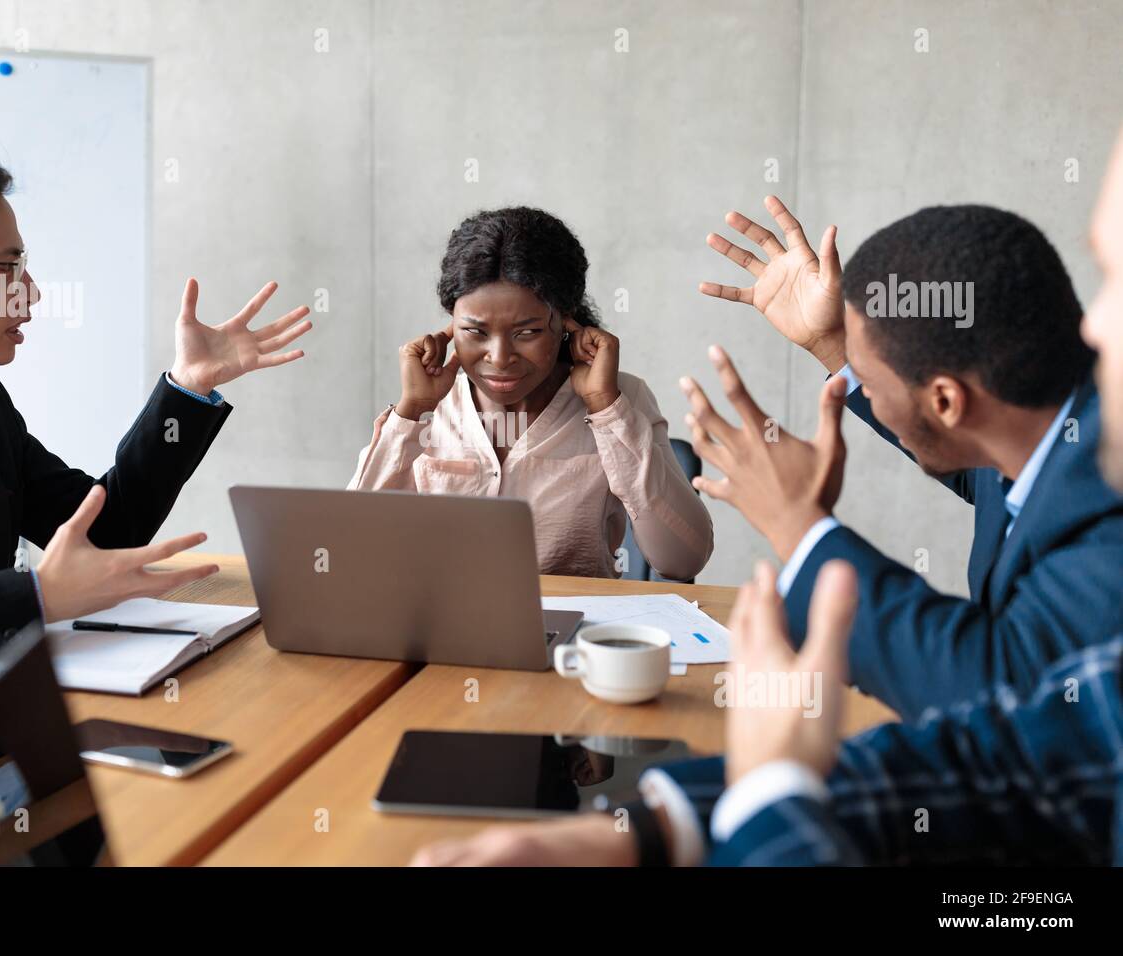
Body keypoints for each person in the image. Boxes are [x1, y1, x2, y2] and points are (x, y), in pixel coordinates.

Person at [411, 127, 1123, 867]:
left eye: (1114, 278)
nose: (1094, 328)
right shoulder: (1049, 449)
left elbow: (999, 699)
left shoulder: (1107, 505)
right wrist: (647, 829)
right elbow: (1016, 755)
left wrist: (802, 528)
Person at [0, 139, 311, 671]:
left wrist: (188, 387)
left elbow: (103, 532)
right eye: (6, 269)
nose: (30, 294)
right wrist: (32, 598)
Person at [678, 197, 1123, 720]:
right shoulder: (1041, 423)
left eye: (866, 380)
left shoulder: (1109, 502)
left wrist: (799, 524)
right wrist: (833, 344)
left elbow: (1006, 689)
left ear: (945, 401)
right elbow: (971, 455)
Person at [349, 206, 713, 580]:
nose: (500, 358)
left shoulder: (620, 397)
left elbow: (682, 560)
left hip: (569, 630)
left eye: (527, 333)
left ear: (565, 320)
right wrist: (412, 412)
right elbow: (351, 550)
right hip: (443, 633)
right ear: (451, 326)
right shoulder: (428, 405)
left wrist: (607, 409)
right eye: (475, 332)